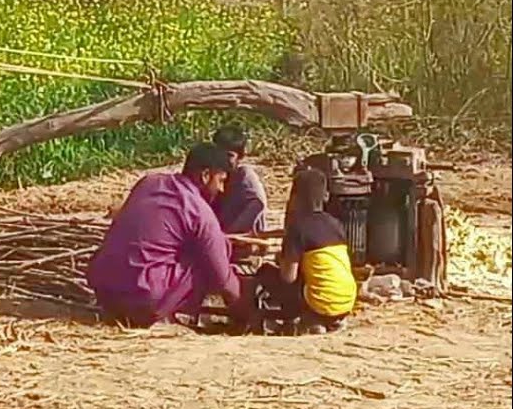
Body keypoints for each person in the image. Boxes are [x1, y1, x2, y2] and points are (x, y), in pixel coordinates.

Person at [86, 143, 252, 327]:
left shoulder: (148, 182)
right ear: (205, 176)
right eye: (220, 180)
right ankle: (173, 316)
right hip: (144, 298)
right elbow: (223, 281)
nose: (221, 189)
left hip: (103, 290)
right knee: (205, 261)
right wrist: (243, 310)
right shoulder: (199, 211)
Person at [255, 169, 357, 334]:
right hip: (346, 301)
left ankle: (297, 320)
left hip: (320, 303)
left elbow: (288, 277)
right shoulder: (336, 224)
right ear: (326, 196)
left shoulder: (298, 228)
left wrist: (281, 260)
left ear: (294, 199)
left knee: (266, 273)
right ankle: (331, 320)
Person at [210, 125, 269, 234]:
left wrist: (232, 231)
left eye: (229, 155)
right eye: (220, 153)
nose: (223, 158)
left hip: (244, 238)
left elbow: (257, 204)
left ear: (240, 157)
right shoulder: (217, 176)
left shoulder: (244, 176)